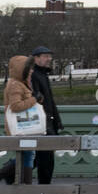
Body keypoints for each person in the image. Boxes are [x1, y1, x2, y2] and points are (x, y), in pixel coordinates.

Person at [0, 55, 38, 185]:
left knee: (27, 155)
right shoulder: (15, 85)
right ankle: (19, 182)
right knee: (29, 155)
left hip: (24, 125)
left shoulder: (20, 83)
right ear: (21, 70)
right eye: (29, 68)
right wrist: (34, 99)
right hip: (20, 126)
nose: (32, 71)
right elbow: (16, 106)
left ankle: (2, 178)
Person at [28, 46, 63, 184]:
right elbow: (38, 99)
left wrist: (57, 121)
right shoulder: (34, 75)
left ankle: (9, 172)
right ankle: (44, 186)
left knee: (39, 157)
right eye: (45, 56)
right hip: (42, 122)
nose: (49, 59)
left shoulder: (42, 74)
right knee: (45, 157)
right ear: (36, 58)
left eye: (50, 56)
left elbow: (50, 101)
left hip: (48, 121)